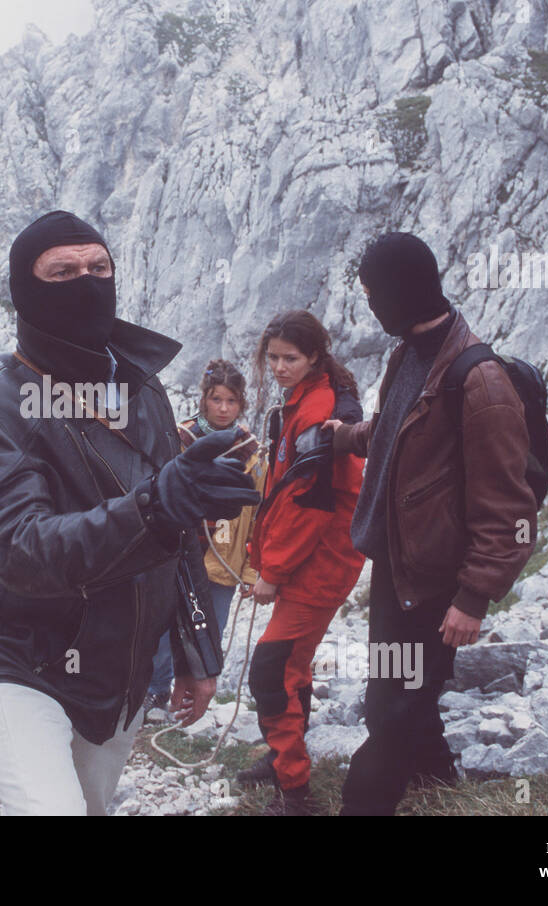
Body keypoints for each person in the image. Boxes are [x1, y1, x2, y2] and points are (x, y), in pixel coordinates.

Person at [0, 210, 259, 816]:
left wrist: (197, 651)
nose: (87, 283)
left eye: (99, 268)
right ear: (25, 291)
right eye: (62, 272)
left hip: (120, 669)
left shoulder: (140, 389)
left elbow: (182, 532)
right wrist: (152, 506)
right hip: (24, 660)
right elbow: (19, 550)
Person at [323, 232, 537, 816]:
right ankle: (436, 774)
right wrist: (343, 438)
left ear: (400, 290)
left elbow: (508, 507)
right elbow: (396, 434)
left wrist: (473, 597)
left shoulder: (479, 380)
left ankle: (364, 805)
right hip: (399, 561)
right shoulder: (408, 354)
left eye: (372, 294)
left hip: (437, 578)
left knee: (392, 704)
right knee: (403, 690)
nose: (369, 306)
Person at [232, 311, 366, 815]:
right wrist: (263, 558)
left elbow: (308, 505)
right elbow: (286, 491)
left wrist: (272, 571)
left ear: (314, 357)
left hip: (321, 562)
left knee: (271, 669)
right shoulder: (307, 401)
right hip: (315, 559)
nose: (280, 367)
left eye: (290, 358)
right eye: (273, 358)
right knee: (291, 663)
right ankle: (283, 759)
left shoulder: (318, 410)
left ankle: (295, 793)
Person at [144, 359, 266, 716]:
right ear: (204, 401)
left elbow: (256, 513)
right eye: (216, 400)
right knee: (167, 624)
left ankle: (193, 693)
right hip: (181, 550)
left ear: (241, 404)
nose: (224, 408)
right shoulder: (180, 440)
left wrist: (250, 569)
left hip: (225, 556)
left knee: (210, 626)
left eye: (231, 401)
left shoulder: (251, 452)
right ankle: (156, 689)